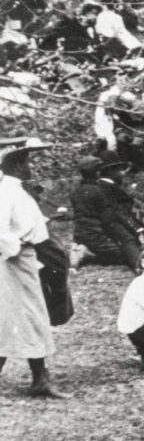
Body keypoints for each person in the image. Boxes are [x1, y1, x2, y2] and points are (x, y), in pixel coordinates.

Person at [0, 138, 65, 397]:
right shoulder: (6, 190)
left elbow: (26, 221)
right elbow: (1, 228)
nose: (30, 167)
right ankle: (41, 378)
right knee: (25, 315)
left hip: (26, 254)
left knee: (24, 316)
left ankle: (40, 377)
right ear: (15, 166)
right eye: (26, 162)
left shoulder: (17, 190)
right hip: (16, 258)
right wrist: (14, 251)